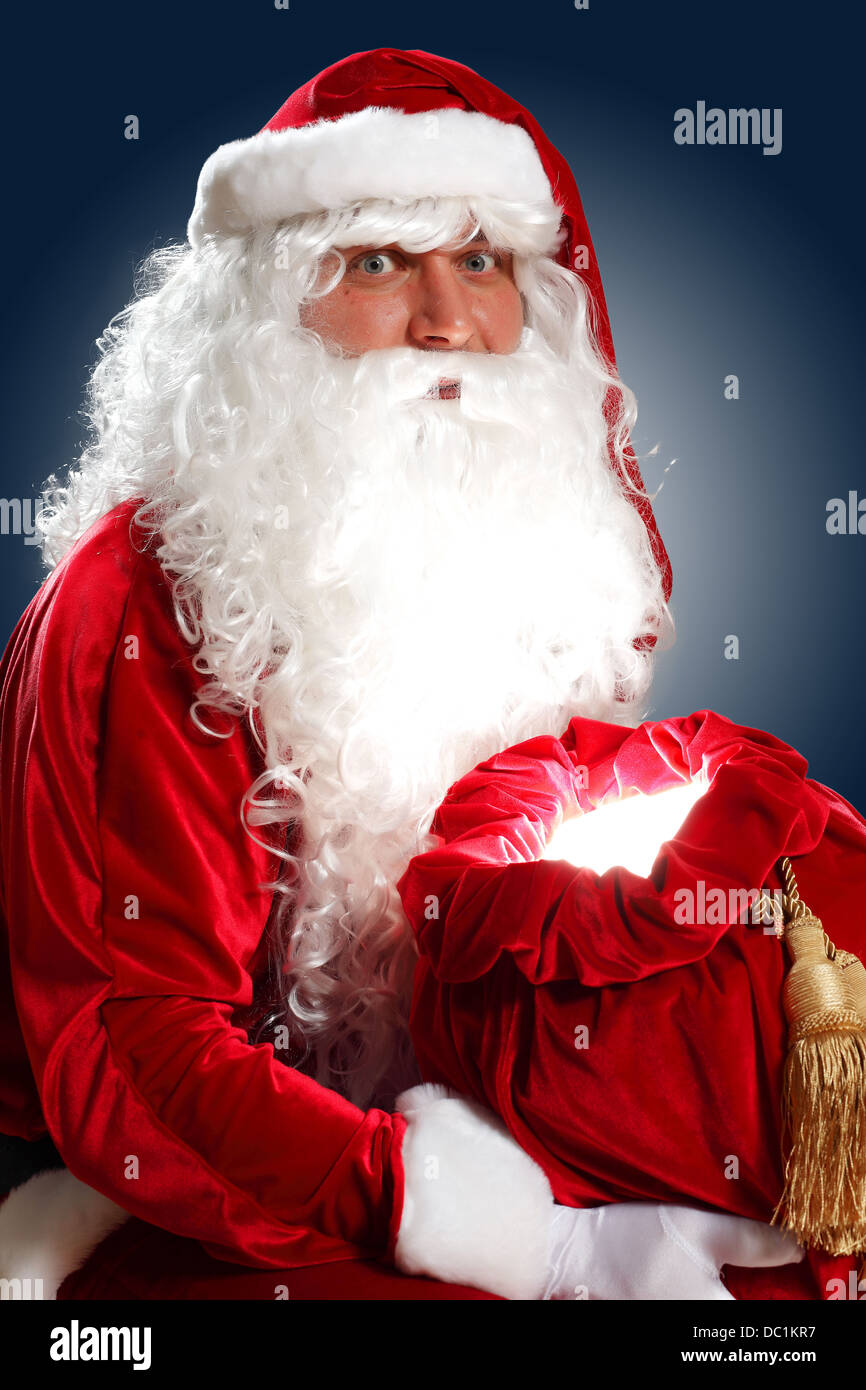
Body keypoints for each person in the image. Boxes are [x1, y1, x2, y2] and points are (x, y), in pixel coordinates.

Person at [0, 47, 804, 1301]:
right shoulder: (145, 602)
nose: (446, 320)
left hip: (478, 1132)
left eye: (478, 260)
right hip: (193, 1175)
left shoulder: (540, 548)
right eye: (377, 259)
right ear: (263, 311)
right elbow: (136, 1046)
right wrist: (513, 1236)